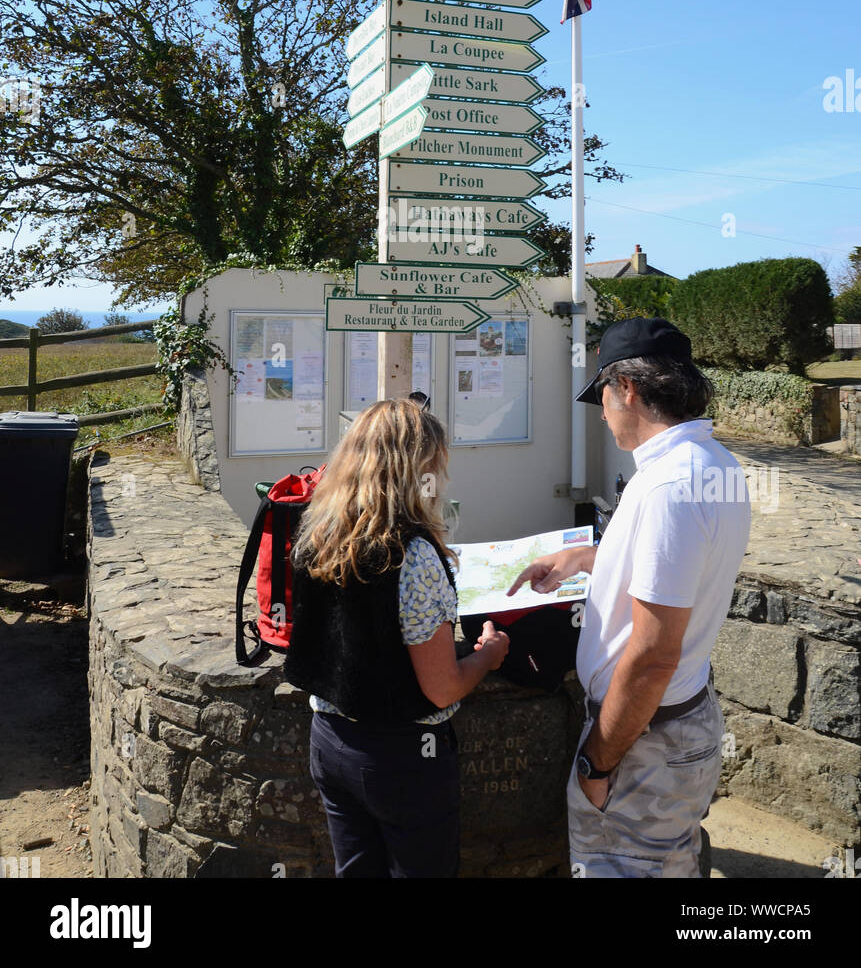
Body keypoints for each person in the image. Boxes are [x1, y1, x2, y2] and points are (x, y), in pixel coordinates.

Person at [509, 317, 750, 879]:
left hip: (645, 739)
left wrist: (597, 762)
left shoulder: (670, 486)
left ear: (629, 388)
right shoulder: (714, 465)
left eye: (602, 395)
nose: (600, 411)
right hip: (672, 723)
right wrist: (583, 559)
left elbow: (653, 655)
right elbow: (678, 569)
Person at [283, 397, 510, 878]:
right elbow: (442, 688)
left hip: (329, 739)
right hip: (403, 757)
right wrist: (487, 655)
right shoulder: (413, 555)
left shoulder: (318, 529)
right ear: (419, 466)